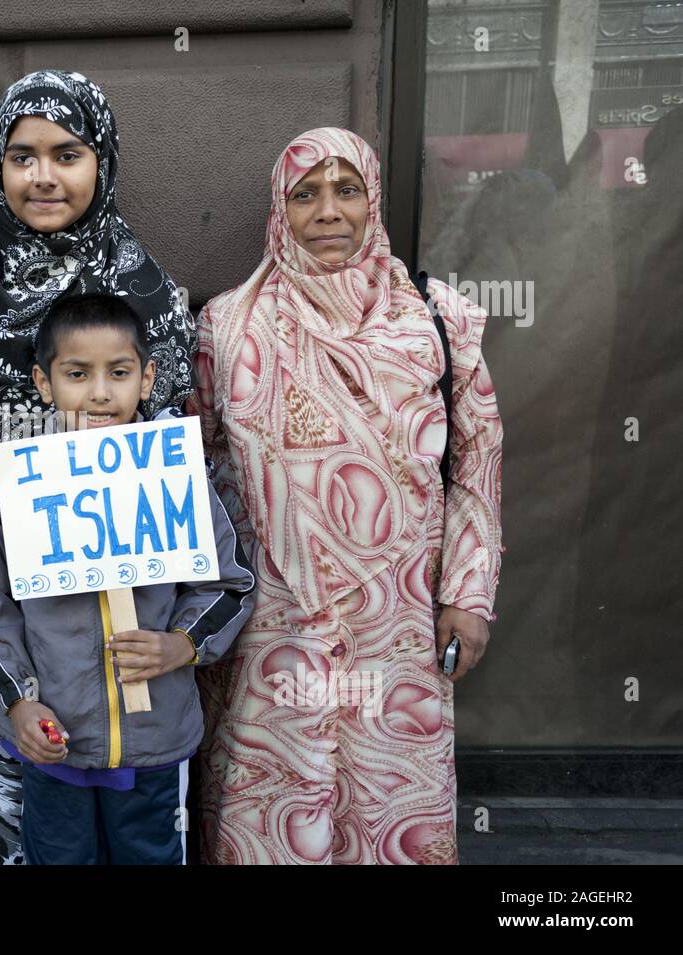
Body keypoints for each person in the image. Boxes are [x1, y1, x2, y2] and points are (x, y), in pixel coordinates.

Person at [0, 70, 194, 864]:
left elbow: (175, 418)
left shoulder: (146, 288)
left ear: (102, 161)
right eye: (22, 156)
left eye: (67, 153)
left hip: (110, 581)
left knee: (118, 778)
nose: (43, 176)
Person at [190, 128, 503, 864]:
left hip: (397, 631)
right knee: (271, 820)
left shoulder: (437, 320)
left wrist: (469, 591)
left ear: (373, 201)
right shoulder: (228, 326)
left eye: (347, 190)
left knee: (387, 816)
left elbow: (477, 462)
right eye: (306, 194)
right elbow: (199, 468)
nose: (328, 211)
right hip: (272, 633)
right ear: (280, 210)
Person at [0, 294, 256, 864]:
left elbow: (229, 583)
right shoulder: (13, 490)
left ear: (147, 379)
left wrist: (183, 644)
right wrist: (18, 701)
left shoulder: (178, 476)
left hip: (157, 742)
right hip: (56, 743)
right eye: (76, 374)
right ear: (44, 383)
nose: (99, 392)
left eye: (118, 372)